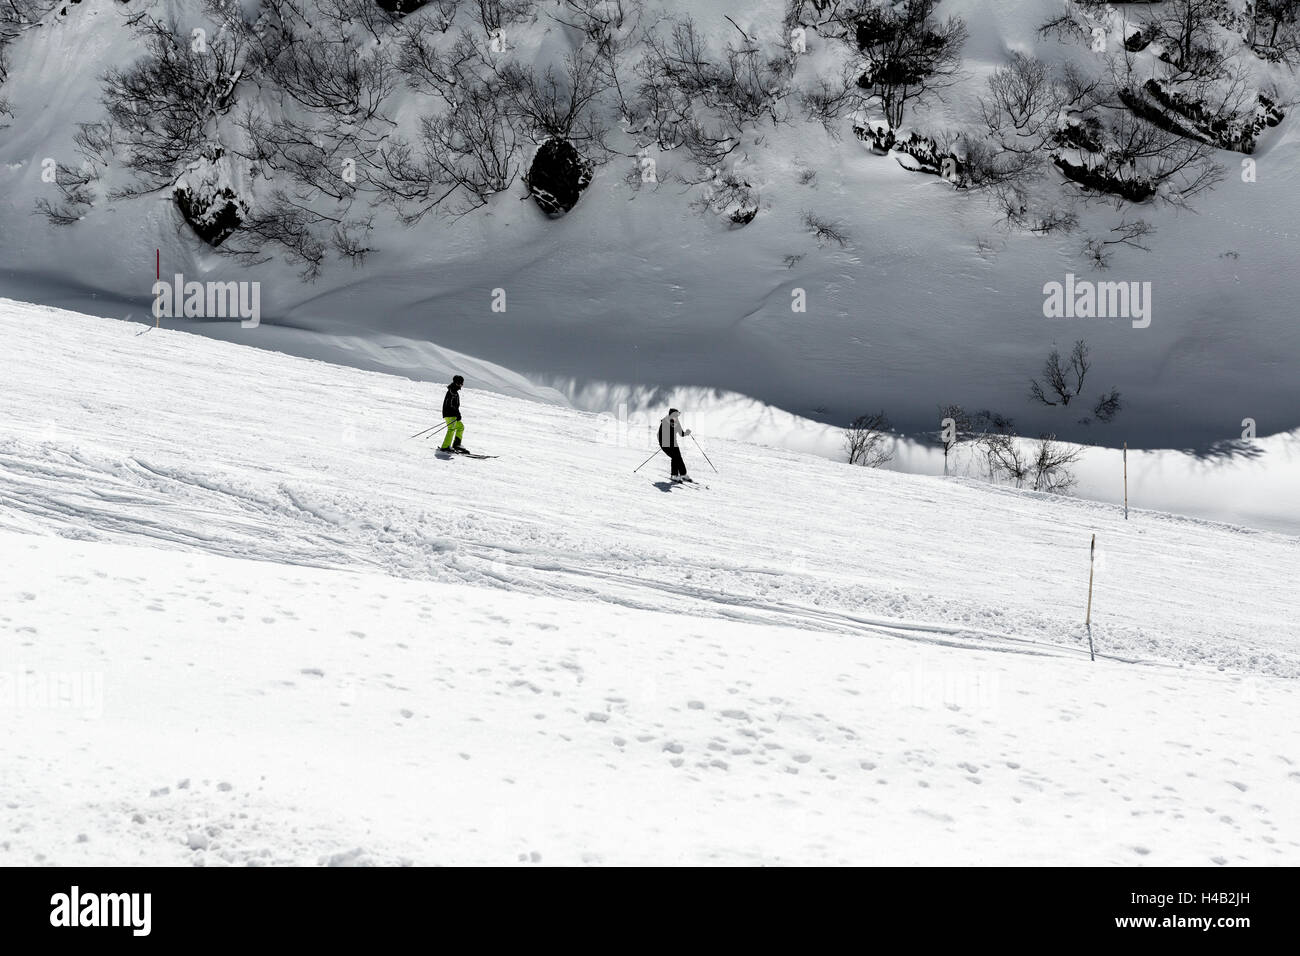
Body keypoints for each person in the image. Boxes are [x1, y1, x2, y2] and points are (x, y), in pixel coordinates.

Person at [658, 408, 693, 482]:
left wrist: (686, 433)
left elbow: (681, 433)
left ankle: (683, 474)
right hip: (665, 444)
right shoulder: (665, 422)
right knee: (675, 457)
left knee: (679, 457)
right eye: (675, 414)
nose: (677, 416)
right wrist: (662, 443)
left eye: (677, 415)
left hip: (674, 443)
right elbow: (660, 435)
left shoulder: (676, 422)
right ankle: (674, 475)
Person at [440, 375, 467, 453]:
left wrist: (458, 414)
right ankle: (445, 447)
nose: (462, 385)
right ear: (457, 383)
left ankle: (456, 445)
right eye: (461, 383)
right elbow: (450, 405)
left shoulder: (454, 391)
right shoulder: (452, 391)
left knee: (460, 427)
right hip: (449, 414)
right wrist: (456, 413)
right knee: (451, 429)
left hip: (452, 414)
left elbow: (455, 405)